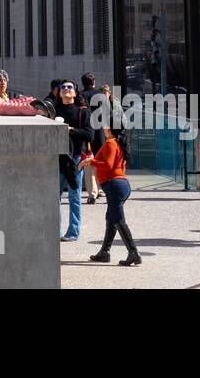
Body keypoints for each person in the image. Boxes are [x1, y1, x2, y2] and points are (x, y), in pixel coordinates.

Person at [87, 124, 140, 266]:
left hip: (114, 186)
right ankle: (105, 252)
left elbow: (108, 165)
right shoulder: (118, 143)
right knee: (111, 218)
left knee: (118, 220)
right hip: (119, 185)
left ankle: (133, 252)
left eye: (106, 125)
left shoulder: (111, 143)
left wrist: (90, 161)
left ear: (110, 129)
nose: (103, 127)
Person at [55, 80, 92, 243]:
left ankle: (73, 232)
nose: (66, 89)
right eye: (63, 87)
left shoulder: (82, 111)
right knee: (54, 196)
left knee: (74, 196)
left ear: (75, 93)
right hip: (57, 157)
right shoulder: (54, 109)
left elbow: (89, 135)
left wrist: (71, 130)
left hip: (75, 158)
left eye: (70, 87)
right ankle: (55, 230)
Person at [79, 72, 104, 203]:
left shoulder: (81, 96)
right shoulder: (100, 95)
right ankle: (101, 188)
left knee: (89, 161)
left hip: (87, 131)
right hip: (100, 131)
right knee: (100, 160)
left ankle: (92, 192)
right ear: (94, 82)